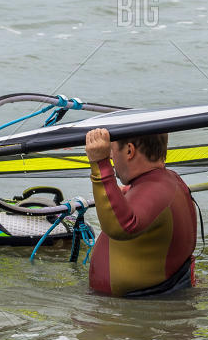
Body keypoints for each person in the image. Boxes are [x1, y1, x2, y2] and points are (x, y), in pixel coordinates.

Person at [84, 127, 196, 297]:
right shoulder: (165, 180)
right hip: (151, 298)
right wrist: (126, 193)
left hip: (146, 304)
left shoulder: (156, 189)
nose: (111, 156)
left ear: (129, 151)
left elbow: (121, 226)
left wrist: (100, 163)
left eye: (111, 150)